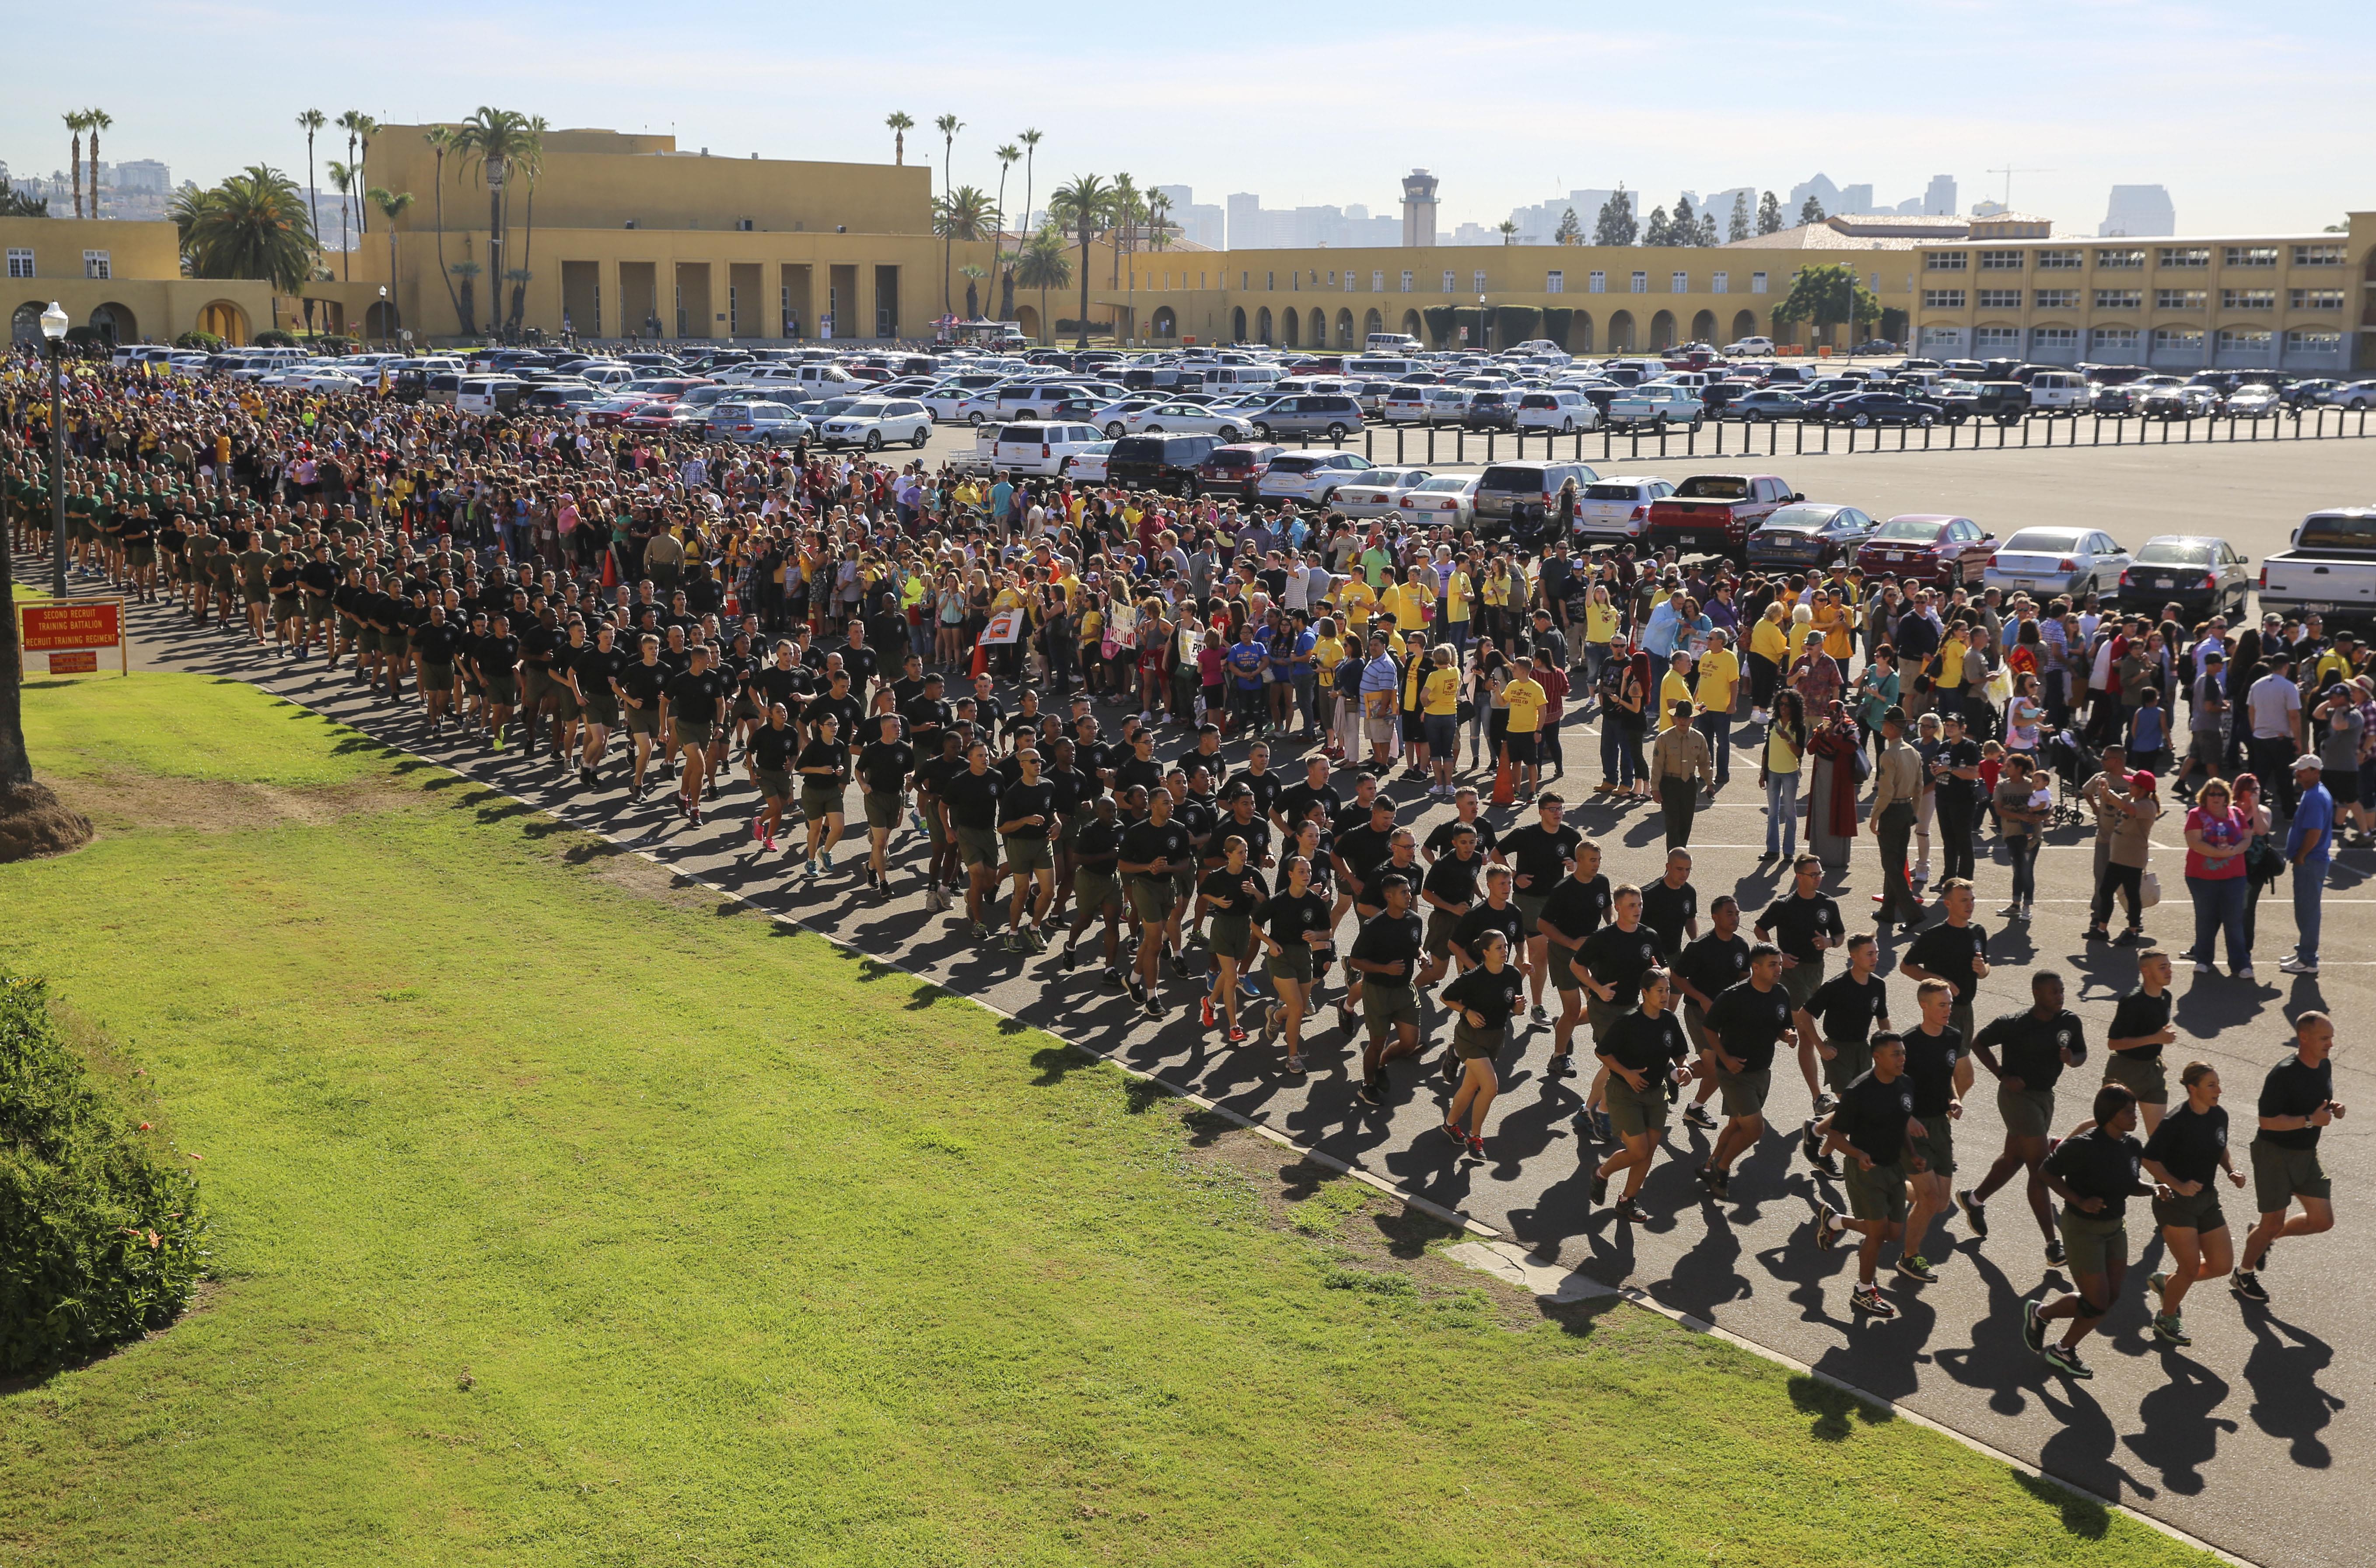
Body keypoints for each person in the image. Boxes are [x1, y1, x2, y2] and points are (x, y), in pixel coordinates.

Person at [2025, 1084, 2156, 1380]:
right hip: (2083, 1231)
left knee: (2110, 1297)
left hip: (2115, 1229)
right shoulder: (2082, 1146)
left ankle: (2055, 1337)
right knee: (2096, 1301)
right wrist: (2079, 1201)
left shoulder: (2132, 1146)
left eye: (2134, 1110)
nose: (2134, 1116)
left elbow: (2130, 1184)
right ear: (2110, 1115)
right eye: (2128, 1112)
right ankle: (2049, 1326)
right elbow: (2045, 1173)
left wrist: (2153, 1189)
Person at [1960, 971, 2087, 1263]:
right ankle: (2052, 1245)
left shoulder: (2069, 1022)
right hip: (2017, 1098)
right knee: (2040, 1168)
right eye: (2053, 992)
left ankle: (1973, 1199)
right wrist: (2002, 1075)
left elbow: (2081, 1054)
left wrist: (2072, 1059)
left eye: (2061, 990)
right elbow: (1978, 1043)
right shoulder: (2015, 1024)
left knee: (2013, 1159)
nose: (2060, 996)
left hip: (2045, 1097)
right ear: (2036, 994)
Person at [2233, 1011, 2344, 1304]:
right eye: (2324, 1038)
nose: (2331, 1044)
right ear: (2303, 1038)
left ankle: (2262, 1237)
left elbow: (2315, 1100)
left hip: (2305, 1155)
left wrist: (2332, 1107)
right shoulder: (2283, 1074)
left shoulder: (2323, 1065)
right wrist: (2310, 1121)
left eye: (2331, 1038)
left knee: (2322, 1220)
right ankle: (2243, 1274)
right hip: (2275, 1155)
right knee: (2271, 1222)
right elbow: (2267, 1122)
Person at [1810, 1033, 1921, 1319]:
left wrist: (1912, 1154)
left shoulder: (1906, 1084)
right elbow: (1835, 1136)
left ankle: (1835, 1221)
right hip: (1865, 1172)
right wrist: (1858, 1155)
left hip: (1894, 1168)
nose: (1902, 1059)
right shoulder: (1858, 1092)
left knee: (1893, 1234)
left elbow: (1900, 1123)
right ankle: (1864, 1291)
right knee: (1876, 1235)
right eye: (1895, 1054)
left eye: (1903, 1053)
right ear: (1877, 1057)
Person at [2142, 1062, 2249, 1346]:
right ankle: (2166, 1319)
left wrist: (2231, 1170)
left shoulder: (2219, 1115)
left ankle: (2167, 1283)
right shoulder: (2175, 1122)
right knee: (2189, 1269)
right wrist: (2177, 1185)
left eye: (2218, 1084)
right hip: (2174, 1203)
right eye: (2211, 1085)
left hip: (2207, 1199)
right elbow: (2149, 1159)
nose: (2219, 1090)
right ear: (2192, 1088)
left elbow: (2220, 1146)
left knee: (2221, 1265)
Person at [1697, 943, 1796, 1203]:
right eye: (1773, 965)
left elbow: (1784, 1025)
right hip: (1734, 1074)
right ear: (1756, 968)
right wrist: (1726, 1059)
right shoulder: (1733, 996)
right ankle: (1722, 1169)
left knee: (1736, 1125)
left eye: (1780, 964)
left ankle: (1709, 1165)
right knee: (1754, 1130)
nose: (1779, 969)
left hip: (1761, 1072)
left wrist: (1788, 1034)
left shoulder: (1781, 993)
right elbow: (1709, 1029)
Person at [1591, 967, 1692, 1222]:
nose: (1665, 995)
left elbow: (1680, 1052)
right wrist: (1627, 1074)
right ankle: (1601, 1174)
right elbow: (1603, 1052)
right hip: (1625, 1093)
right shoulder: (1628, 1021)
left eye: (1667, 990)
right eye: (1659, 991)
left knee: (1648, 1151)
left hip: (1656, 1094)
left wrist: (1684, 1067)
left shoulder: (1669, 1020)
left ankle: (1627, 1201)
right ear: (1645, 993)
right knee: (1638, 1151)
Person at [1894, 977, 1971, 1282]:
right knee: (1928, 1200)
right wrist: (1906, 1119)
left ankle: (1891, 1185)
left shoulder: (1952, 1036)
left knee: (1940, 1204)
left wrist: (1954, 1098)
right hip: (1912, 1128)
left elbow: (1947, 1076)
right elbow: (1892, 1084)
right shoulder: (1907, 1044)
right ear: (1923, 1006)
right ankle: (1909, 1257)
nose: (1948, 1010)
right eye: (1941, 1005)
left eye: (1949, 1004)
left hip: (1940, 1125)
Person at [1793, 931, 1890, 1167]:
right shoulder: (1836, 986)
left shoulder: (1878, 985)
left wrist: (1890, 1050)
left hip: (1863, 1051)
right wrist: (1821, 1047)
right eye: (1869, 954)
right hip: (1837, 1052)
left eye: (1876, 953)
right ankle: (1825, 1148)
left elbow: (1883, 1019)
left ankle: (1818, 1138)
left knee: (1853, 1110)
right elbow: (1805, 1016)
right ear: (1853, 956)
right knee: (1854, 1108)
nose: (1875, 958)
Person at [1440, 931, 1526, 1158]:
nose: (1505, 951)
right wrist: (1467, 1012)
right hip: (1470, 1038)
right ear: (1486, 952)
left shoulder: (1513, 975)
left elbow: (1515, 1008)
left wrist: (1519, 1008)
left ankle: (1450, 1124)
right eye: (1499, 948)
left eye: (1505, 946)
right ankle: (1475, 1137)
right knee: (1490, 1087)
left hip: (1495, 1038)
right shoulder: (1473, 978)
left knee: (1470, 1087)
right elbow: (1446, 997)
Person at [1117, 788, 1197, 1017]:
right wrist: (1148, 867)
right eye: (1165, 803)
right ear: (1153, 806)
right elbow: (1123, 865)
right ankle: (1152, 998)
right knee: (1156, 945)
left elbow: (1185, 862)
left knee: (1151, 941)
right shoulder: (1137, 832)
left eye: (1171, 802)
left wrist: (1167, 868)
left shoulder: (1178, 829)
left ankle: (1133, 979)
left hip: (1168, 887)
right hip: (1145, 888)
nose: (1171, 806)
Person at [1349, 874, 1426, 1105]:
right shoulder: (1374, 926)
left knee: (1410, 1043)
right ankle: (1367, 1085)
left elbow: (1415, 945)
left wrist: (1421, 956)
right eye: (1404, 892)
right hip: (1378, 991)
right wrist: (1384, 969)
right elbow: (1355, 961)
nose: (1409, 895)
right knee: (1377, 1042)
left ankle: (1381, 1064)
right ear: (1389, 897)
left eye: (1409, 891)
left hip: (1405, 989)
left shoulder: (1415, 920)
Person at [1256, 853, 1333, 1074]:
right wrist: (1270, 943)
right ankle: (1293, 1057)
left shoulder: (1315, 901)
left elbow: (1328, 931)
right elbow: (1255, 925)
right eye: (1301, 871)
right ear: (1290, 875)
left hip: (1303, 956)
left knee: (1298, 1008)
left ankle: (1277, 1015)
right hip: (1280, 956)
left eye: (1309, 871)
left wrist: (1316, 935)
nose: (1307, 875)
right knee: (1299, 1007)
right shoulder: (1278, 900)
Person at [1899, 877, 1988, 1046]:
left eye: (1972, 900)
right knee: (1955, 1057)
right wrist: (1941, 981)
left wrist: (1983, 970)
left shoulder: (1978, 931)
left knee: (1961, 1055)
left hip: (1967, 1008)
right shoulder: (1934, 936)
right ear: (1948, 904)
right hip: (1941, 1009)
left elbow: (1985, 967)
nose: (1970, 905)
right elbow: (1906, 967)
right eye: (1964, 901)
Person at [2181, 777, 2253, 979]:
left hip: (2234, 877)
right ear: (2205, 796)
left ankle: (2240, 964)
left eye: (2220, 794)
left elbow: (2247, 837)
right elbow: (2194, 842)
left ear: (2226, 797)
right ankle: (2203, 960)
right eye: (2212, 794)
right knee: (2205, 919)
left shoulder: (2236, 814)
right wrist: (2219, 854)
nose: (2216, 798)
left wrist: (2235, 850)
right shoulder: (2196, 815)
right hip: (2201, 877)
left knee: (2234, 921)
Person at [1198, 834, 1267, 1040]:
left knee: (1229, 974)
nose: (1245, 856)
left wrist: (1255, 892)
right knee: (1232, 978)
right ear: (1228, 855)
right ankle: (1234, 1027)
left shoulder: (1252, 873)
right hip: (1223, 926)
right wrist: (1217, 901)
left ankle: (1209, 1002)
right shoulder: (1218, 876)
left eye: (1246, 851)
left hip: (1243, 926)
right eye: (1240, 852)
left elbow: (1266, 900)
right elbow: (1202, 892)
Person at [2101, 948, 2176, 1135]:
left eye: (2169, 966)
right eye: (2162, 967)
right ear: (2146, 971)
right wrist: (2155, 1039)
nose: (2169, 971)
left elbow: (2155, 1032)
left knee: (2159, 1137)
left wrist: (2158, 1055)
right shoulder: (2132, 1002)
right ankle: (2067, 1144)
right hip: (2125, 1071)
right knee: (2109, 1130)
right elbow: (2114, 1043)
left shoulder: (2166, 997)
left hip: (2153, 1071)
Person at [997, 746, 1060, 952]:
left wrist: (1057, 823)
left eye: (1040, 760)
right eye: (1033, 761)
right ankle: (1013, 932)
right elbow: (1002, 828)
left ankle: (1034, 928)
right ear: (1022, 765)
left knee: (1049, 892)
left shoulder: (1048, 786)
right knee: (1022, 891)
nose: (1038, 764)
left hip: (1043, 844)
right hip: (1020, 846)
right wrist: (1025, 820)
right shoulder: (1013, 793)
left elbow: (1052, 811)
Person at [1868, 707, 1925, 932]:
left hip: (1892, 810)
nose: (1882, 727)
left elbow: (1886, 792)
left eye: (1884, 723)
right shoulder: (1913, 752)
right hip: (1906, 808)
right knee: (1897, 862)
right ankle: (1888, 910)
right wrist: (1914, 812)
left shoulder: (1889, 755)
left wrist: (1875, 816)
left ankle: (1912, 912)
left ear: (1891, 727)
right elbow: (1919, 788)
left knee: (1890, 863)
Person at [2281, 752, 2332, 977]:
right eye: (2297, 770)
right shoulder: (2314, 793)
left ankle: (2308, 959)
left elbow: (2314, 831)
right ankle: (2304, 951)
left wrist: (2302, 855)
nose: (2298, 774)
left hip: (2310, 862)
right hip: (2313, 861)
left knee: (2308, 912)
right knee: (2305, 910)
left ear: (2316, 772)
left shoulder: (2314, 798)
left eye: (2302, 770)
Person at [1991, 753, 2048, 920]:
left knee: (2027, 869)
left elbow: (2048, 806)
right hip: (2011, 833)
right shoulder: (2002, 786)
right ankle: (2016, 905)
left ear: (2019, 769)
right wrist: (2021, 817)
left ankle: (2027, 907)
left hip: (2032, 836)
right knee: (2018, 869)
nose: (2005, 768)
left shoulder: (2033, 785)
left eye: (2009, 766)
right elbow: (1999, 810)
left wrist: (2043, 816)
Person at [1651, 699, 1713, 850]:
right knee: (1673, 824)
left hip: (1689, 784)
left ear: (1692, 719)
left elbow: (1704, 762)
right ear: (1675, 718)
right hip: (1670, 783)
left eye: (1686, 718)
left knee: (1686, 823)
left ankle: (1681, 856)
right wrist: (1655, 788)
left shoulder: (1698, 738)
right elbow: (1658, 765)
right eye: (1680, 717)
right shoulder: (1664, 738)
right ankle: (1673, 859)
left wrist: (1710, 783)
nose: (1683, 721)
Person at [1760, 690, 1807, 863]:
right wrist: (1763, 772)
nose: (1783, 708)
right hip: (1772, 772)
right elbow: (1767, 748)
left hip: (1790, 774)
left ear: (1794, 707)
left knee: (1790, 812)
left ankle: (1789, 851)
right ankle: (1772, 850)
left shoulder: (1799, 727)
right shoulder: (1773, 723)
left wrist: (1787, 738)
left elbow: (1799, 753)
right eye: (1781, 704)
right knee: (1772, 813)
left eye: (1787, 705)